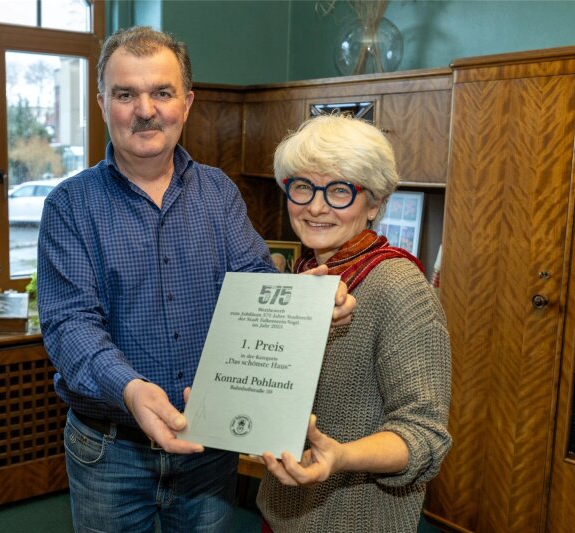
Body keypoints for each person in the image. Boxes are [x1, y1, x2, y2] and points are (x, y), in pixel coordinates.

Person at [36, 26, 356, 533]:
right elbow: (69, 326)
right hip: (111, 451)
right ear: (102, 104)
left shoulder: (218, 192)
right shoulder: (69, 206)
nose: (145, 110)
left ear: (186, 103)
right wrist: (131, 390)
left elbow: (253, 281)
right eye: (126, 94)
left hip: (210, 446)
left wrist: (310, 303)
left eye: (161, 93)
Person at [256, 114, 452, 532]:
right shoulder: (302, 275)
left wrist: (341, 457)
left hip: (352, 521)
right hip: (280, 511)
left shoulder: (399, 286)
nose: (316, 206)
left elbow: (426, 435)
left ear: (375, 203)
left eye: (340, 190)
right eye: (302, 186)